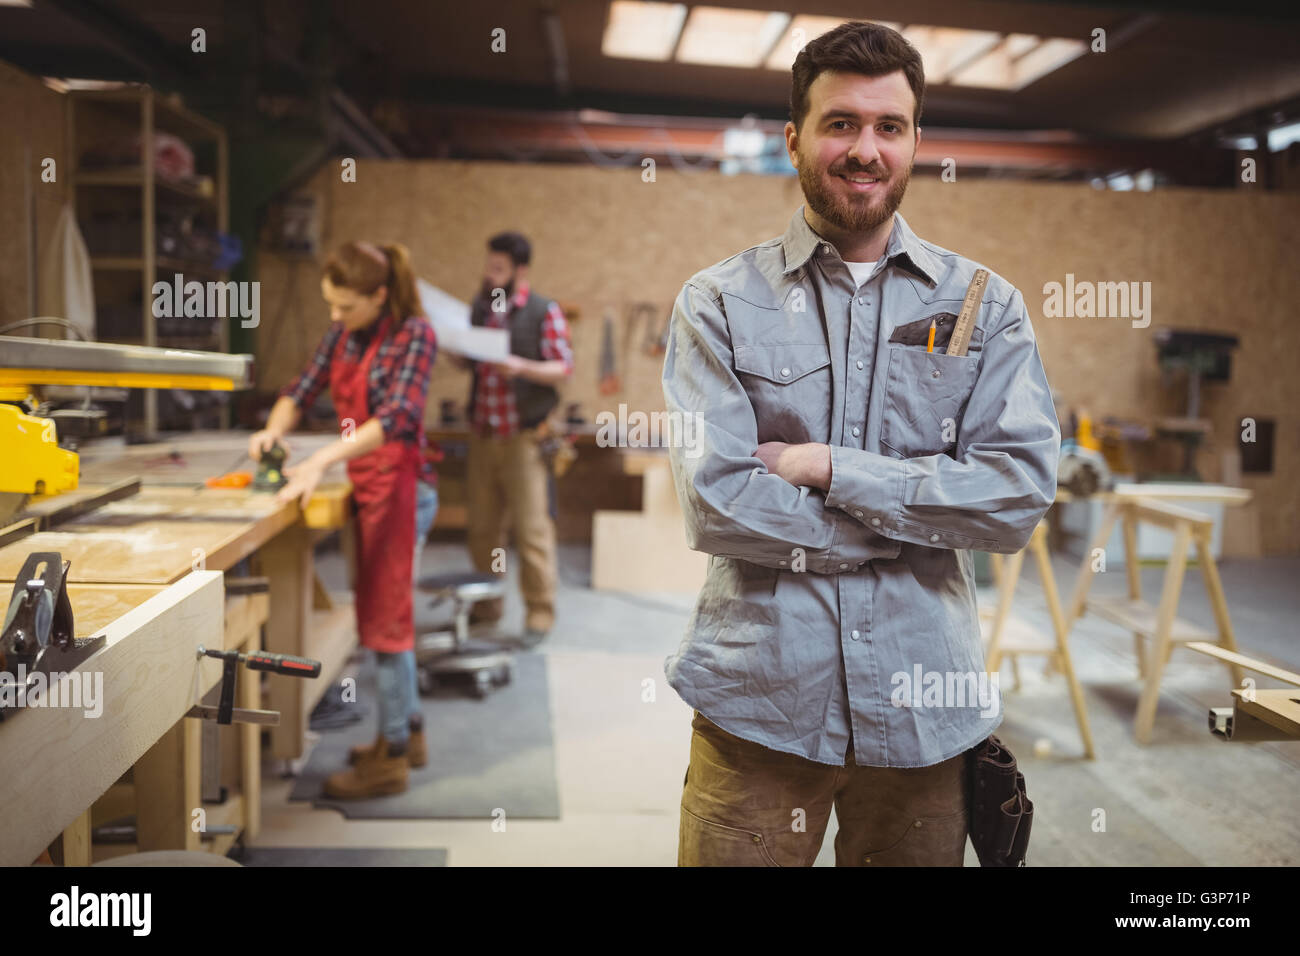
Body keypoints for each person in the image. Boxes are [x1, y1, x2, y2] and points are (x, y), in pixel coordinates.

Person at [661, 21, 1060, 866]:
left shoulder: (986, 308)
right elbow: (718, 503)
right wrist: (920, 517)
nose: (864, 149)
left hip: (925, 719)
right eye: (840, 123)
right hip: (759, 707)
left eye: (889, 127)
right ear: (794, 140)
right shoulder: (719, 303)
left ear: (917, 141)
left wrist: (830, 469)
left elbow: (1019, 491)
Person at [251, 240, 437, 799]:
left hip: (402, 488)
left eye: (345, 306)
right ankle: (409, 733)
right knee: (382, 614)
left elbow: (399, 419)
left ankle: (392, 759)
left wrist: (320, 459)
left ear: (380, 295)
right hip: (366, 485)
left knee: (385, 625)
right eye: (330, 305)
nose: (334, 316)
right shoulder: (343, 333)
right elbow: (301, 388)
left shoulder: (414, 335)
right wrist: (273, 431)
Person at [450, 231, 573, 646]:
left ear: (521, 270)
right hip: (484, 435)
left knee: (532, 530)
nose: (490, 274)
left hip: (524, 438)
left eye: (499, 268)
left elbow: (562, 368)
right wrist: (451, 344)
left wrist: (520, 366)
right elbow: (467, 359)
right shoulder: (481, 308)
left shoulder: (544, 311)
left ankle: (539, 613)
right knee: (483, 529)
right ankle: (487, 608)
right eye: (489, 265)